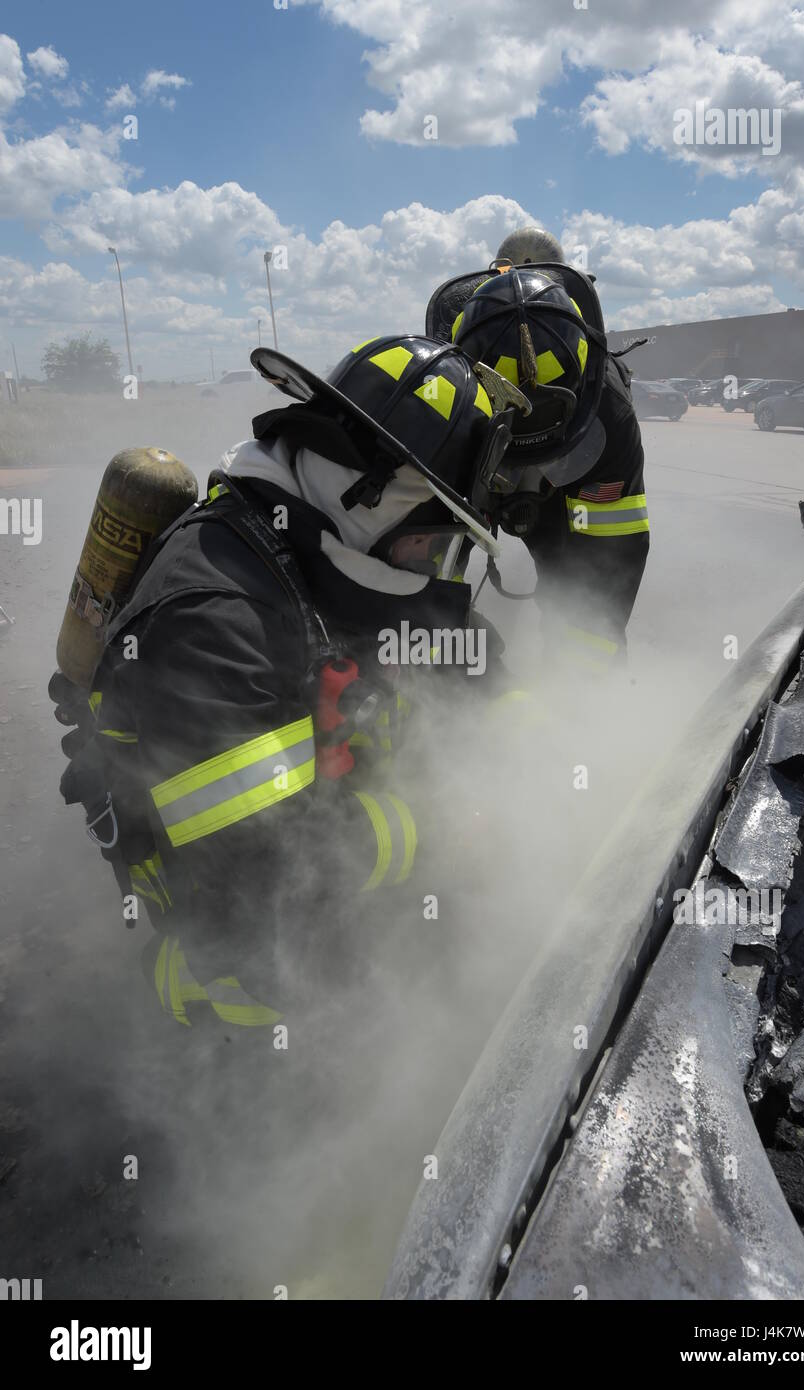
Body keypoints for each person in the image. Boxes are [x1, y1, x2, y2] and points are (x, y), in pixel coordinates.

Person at [51, 335, 518, 1029]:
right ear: (375, 501)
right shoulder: (212, 616)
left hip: (317, 861)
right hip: (242, 951)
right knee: (290, 1021)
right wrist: (448, 827)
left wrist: (527, 744)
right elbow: (260, 877)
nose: (436, 570)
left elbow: (457, 650)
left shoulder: (325, 539)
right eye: (436, 540)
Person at [426, 227, 649, 678]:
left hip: (568, 500)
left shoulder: (608, 408)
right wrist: (442, 642)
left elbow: (609, 561)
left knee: (577, 601)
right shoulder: (438, 396)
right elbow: (419, 549)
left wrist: (579, 687)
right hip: (474, 479)